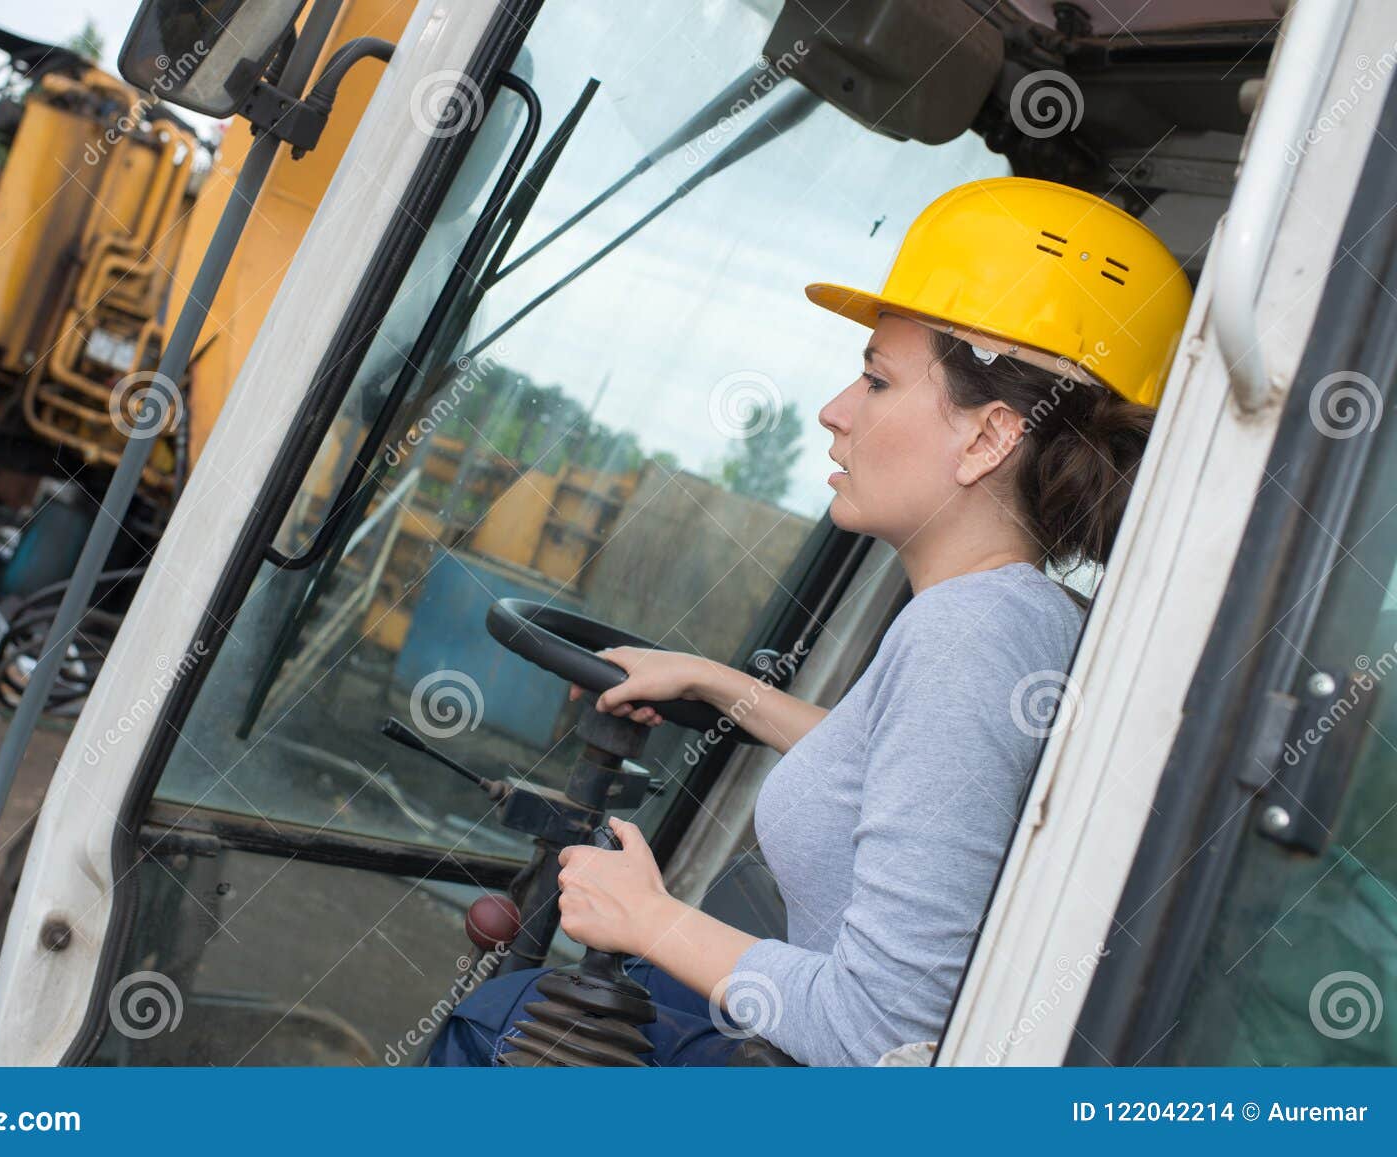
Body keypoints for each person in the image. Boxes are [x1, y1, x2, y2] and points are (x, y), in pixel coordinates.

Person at [427, 175, 1193, 1066]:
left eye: (876, 380)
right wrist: (717, 683)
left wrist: (649, 916)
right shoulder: (1021, 614)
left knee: (500, 1021)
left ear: (987, 438)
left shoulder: (969, 638)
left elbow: (884, 1034)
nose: (834, 411)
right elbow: (904, 773)